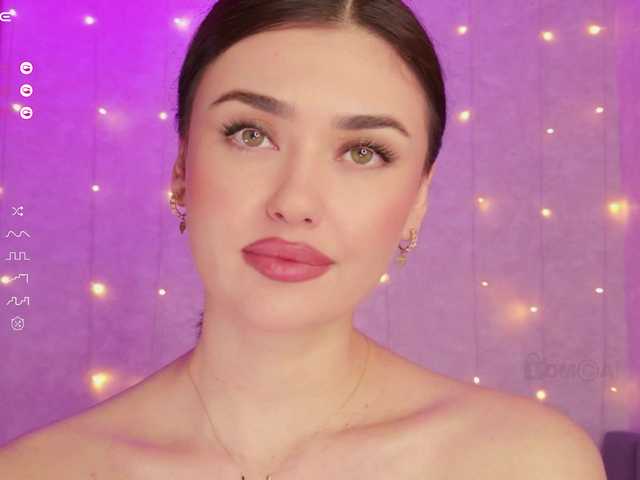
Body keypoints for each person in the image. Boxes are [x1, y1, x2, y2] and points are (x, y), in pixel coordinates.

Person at [0, 0, 606, 478]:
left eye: (363, 152)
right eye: (250, 134)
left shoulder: (526, 462)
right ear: (182, 165)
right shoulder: (38, 470)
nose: (294, 202)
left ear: (418, 197)